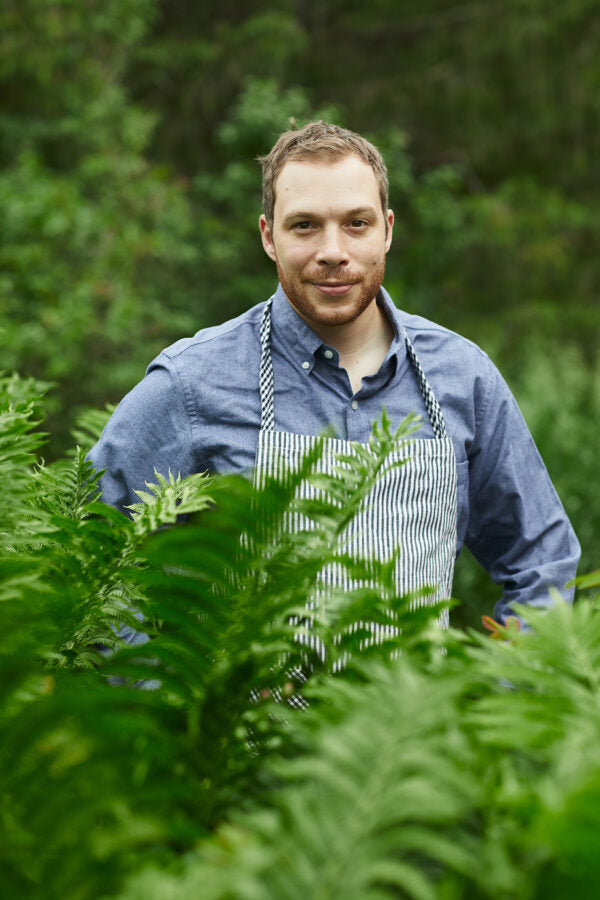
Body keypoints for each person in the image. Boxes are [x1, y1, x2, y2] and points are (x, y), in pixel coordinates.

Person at [90, 121, 580, 625]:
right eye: (304, 225)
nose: (332, 251)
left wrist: (501, 697)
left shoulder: (462, 377)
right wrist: (158, 695)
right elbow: (91, 559)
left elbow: (542, 563)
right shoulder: (192, 383)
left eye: (356, 224)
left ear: (387, 230)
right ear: (268, 237)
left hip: (413, 705)